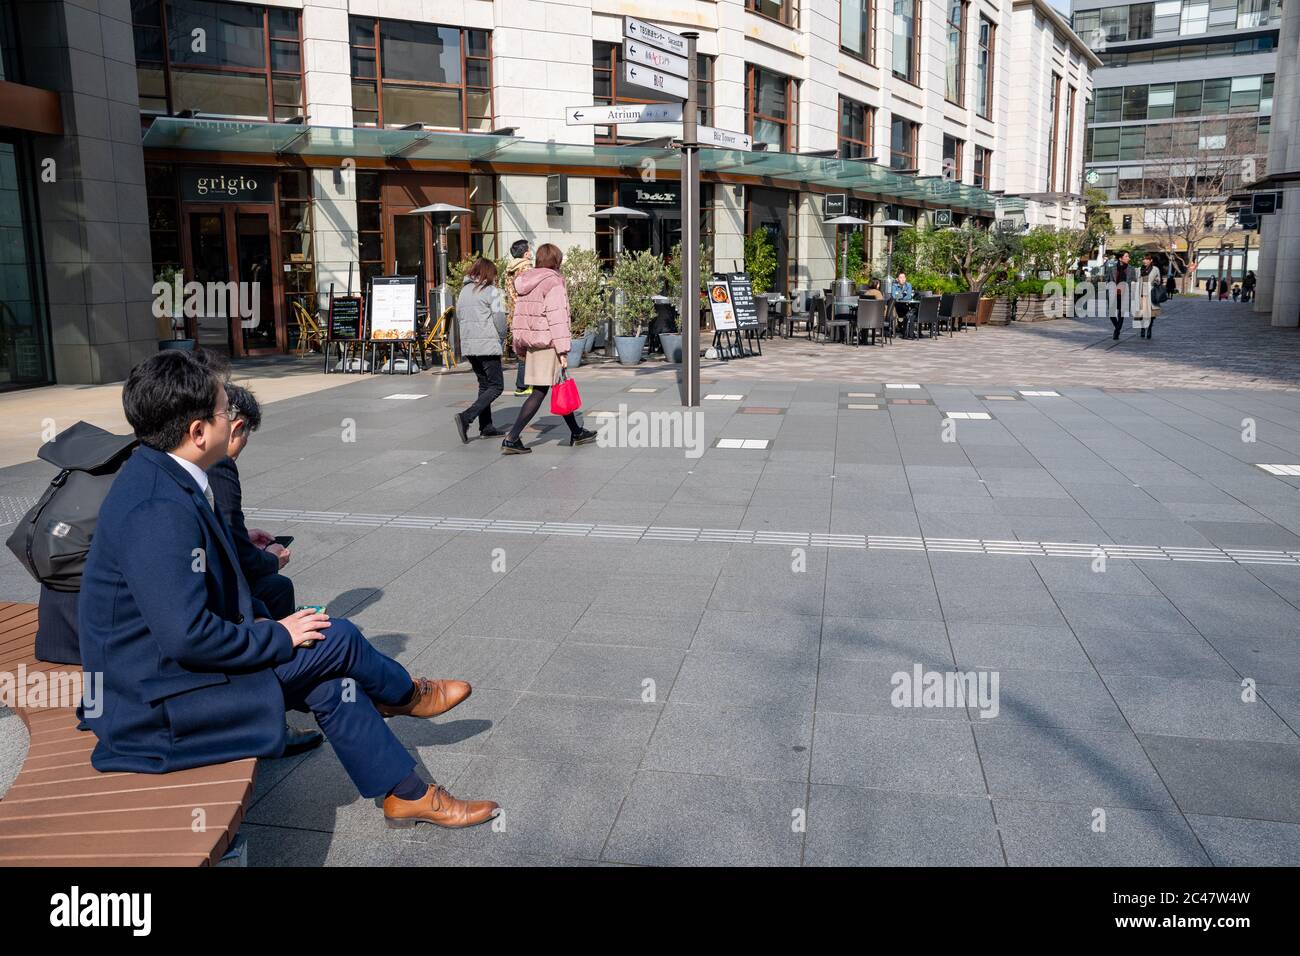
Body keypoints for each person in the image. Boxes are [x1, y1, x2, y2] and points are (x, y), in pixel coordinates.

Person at [78, 350, 499, 828]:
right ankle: (405, 695)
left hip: (169, 678)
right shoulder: (158, 508)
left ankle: (407, 793)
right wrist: (277, 636)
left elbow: (201, 593)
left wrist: (260, 621)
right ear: (197, 432)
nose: (231, 418)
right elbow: (186, 636)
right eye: (223, 411)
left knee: (333, 682)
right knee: (333, 636)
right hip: (158, 707)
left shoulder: (161, 473)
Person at [207, 382, 323, 757]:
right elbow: (234, 551)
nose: (240, 449)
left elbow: (224, 529)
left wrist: (245, 533)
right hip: (204, 594)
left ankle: (280, 689)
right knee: (274, 587)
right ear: (235, 427)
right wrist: (272, 556)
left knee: (273, 589)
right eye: (244, 438)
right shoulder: (220, 463)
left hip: (199, 579)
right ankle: (276, 700)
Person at [502, 243, 596, 454]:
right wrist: (563, 350)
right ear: (556, 260)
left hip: (535, 344)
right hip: (549, 343)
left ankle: (576, 432)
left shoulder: (526, 281)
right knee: (540, 391)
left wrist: (520, 345)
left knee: (557, 385)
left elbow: (519, 317)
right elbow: (558, 318)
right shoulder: (553, 282)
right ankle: (512, 437)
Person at [453, 257, 507, 443]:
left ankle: (486, 426)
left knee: (484, 385)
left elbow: (459, 316)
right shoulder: (494, 292)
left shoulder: (463, 291)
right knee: (496, 386)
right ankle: (467, 417)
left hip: (470, 346)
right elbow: (500, 320)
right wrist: (501, 339)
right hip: (487, 345)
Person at [506, 239, 533, 397]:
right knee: (528, 349)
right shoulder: (526, 268)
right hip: (525, 312)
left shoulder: (509, 269)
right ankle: (525, 384)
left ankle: (521, 385)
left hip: (513, 313)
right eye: (529, 249)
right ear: (525, 253)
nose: (531, 252)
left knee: (521, 348)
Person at [1136, 252, 1162, 340]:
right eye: (1144, 259)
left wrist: (1156, 281)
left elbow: (1158, 280)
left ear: (1151, 260)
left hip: (1151, 294)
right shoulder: (1139, 269)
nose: (1145, 261)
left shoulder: (1155, 269)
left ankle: (1149, 329)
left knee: (1151, 314)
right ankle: (1143, 328)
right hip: (1141, 294)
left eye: (1147, 259)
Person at [1110, 250, 1131, 340]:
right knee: (1111, 313)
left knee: (1121, 314)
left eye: (1128, 256)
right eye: (1126, 256)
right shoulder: (1113, 269)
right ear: (1120, 258)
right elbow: (1109, 280)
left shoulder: (1130, 269)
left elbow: (1132, 281)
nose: (1128, 258)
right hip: (1114, 293)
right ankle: (1118, 329)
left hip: (1124, 294)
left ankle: (1116, 331)